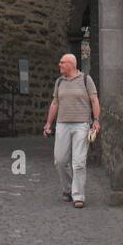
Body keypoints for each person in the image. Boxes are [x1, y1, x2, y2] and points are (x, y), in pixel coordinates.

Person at [43, 53, 101, 208]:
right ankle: (68, 189)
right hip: (62, 125)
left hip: (81, 125)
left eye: (62, 63)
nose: (59, 65)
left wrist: (96, 120)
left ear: (71, 64)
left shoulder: (85, 80)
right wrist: (48, 123)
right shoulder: (59, 81)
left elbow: (94, 100)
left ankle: (78, 196)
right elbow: (55, 103)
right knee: (60, 161)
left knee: (79, 162)